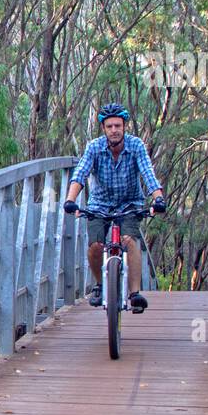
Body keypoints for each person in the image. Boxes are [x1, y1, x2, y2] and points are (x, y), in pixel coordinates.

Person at [62, 102, 166, 312]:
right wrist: (70, 200)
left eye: (118, 125)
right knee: (95, 245)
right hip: (99, 204)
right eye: (109, 126)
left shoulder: (136, 146)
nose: (114, 130)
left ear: (124, 126)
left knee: (129, 240)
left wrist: (158, 198)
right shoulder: (94, 147)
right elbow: (80, 174)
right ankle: (100, 285)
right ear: (103, 128)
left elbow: (148, 174)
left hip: (129, 204)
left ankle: (134, 294)